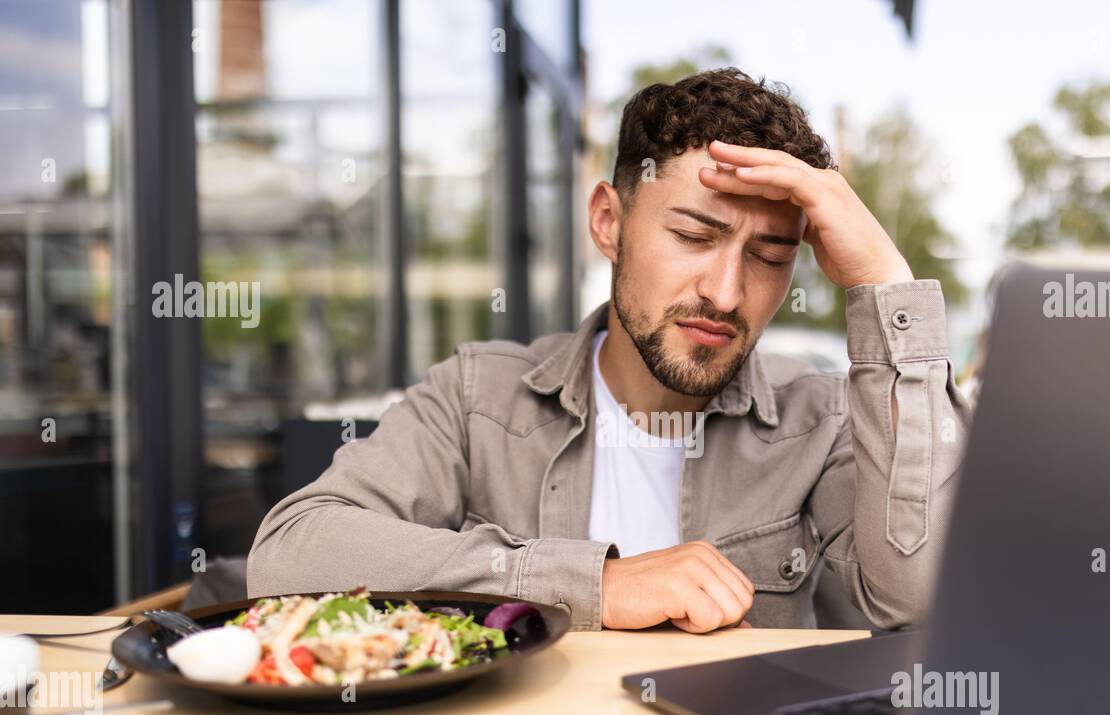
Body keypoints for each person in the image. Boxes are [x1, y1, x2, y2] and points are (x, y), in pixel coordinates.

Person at [247, 68, 971, 634]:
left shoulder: (821, 423)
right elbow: (290, 554)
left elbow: (924, 598)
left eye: (770, 255)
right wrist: (590, 584)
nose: (725, 291)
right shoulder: (478, 399)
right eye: (693, 236)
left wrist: (885, 281)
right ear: (608, 223)